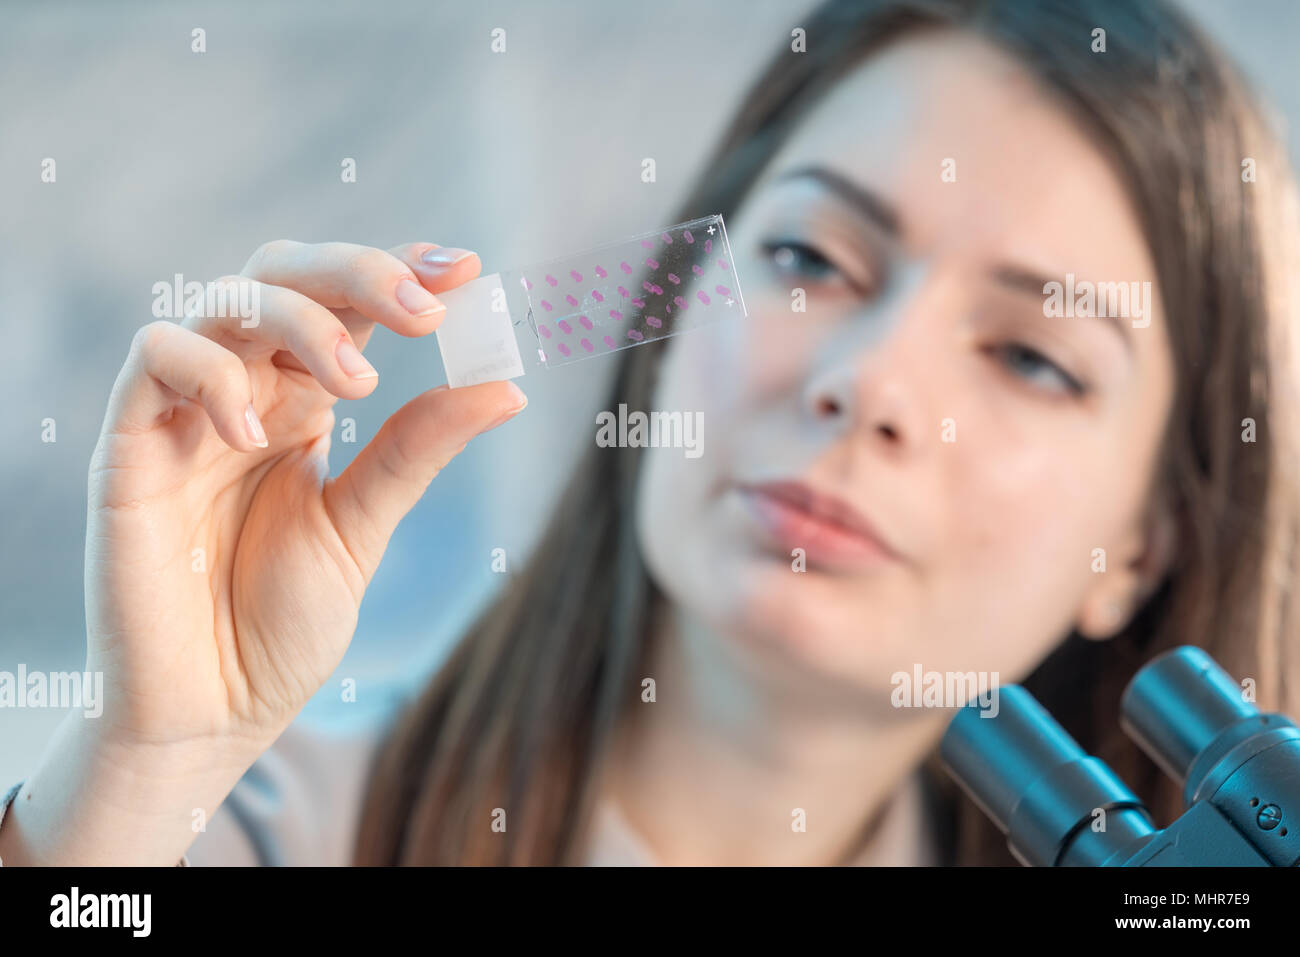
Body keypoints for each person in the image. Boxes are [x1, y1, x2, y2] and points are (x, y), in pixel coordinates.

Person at [2, 0, 1297, 867]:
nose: (868, 383)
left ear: (1142, 545)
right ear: (671, 312)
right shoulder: (249, 834)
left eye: (1030, 356)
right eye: (809, 257)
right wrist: (142, 769)